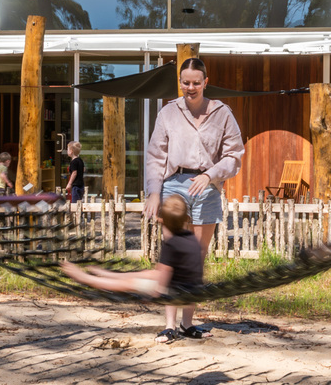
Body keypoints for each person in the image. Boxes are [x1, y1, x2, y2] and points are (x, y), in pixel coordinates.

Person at [142, 57, 244, 341]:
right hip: (174, 185)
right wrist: (153, 192)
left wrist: (210, 175)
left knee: (196, 259)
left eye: (196, 82)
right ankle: (169, 324)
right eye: (185, 82)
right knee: (174, 253)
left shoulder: (222, 113)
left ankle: (188, 324)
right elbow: (155, 156)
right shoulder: (168, 113)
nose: (190, 87)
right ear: (180, 82)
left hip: (207, 188)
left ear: (205, 82)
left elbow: (235, 154)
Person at [59, 195, 203, 344]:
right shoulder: (192, 239)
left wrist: (153, 294)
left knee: (131, 282)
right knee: (148, 273)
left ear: (162, 221)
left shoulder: (171, 244)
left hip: (174, 292)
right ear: (186, 217)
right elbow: (191, 269)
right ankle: (107, 274)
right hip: (190, 289)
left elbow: (164, 276)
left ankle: (86, 278)